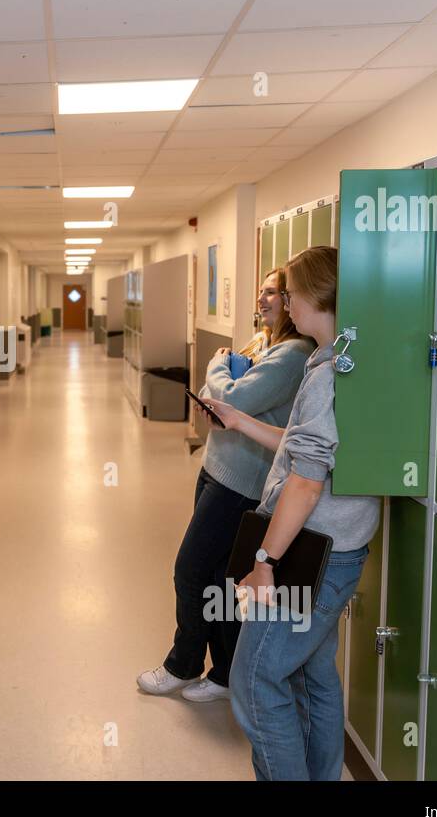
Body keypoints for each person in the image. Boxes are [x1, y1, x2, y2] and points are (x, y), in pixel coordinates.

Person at [204, 246, 380, 781]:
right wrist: (239, 421)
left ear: (316, 296)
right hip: (338, 547)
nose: (287, 303)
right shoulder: (345, 360)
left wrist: (264, 560)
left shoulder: (329, 374)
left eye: (292, 292)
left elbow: (305, 482)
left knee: (256, 682)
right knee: (313, 677)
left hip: (308, 552)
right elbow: (304, 450)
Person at [137, 269, 314, 703]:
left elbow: (227, 400)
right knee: (218, 576)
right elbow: (210, 398)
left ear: (293, 300)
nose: (266, 299)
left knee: (190, 568)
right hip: (218, 466)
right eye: (264, 291)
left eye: (275, 292)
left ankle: (182, 664)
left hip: (243, 483)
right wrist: (221, 387)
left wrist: (217, 365)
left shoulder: (293, 354)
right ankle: (224, 674)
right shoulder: (266, 344)